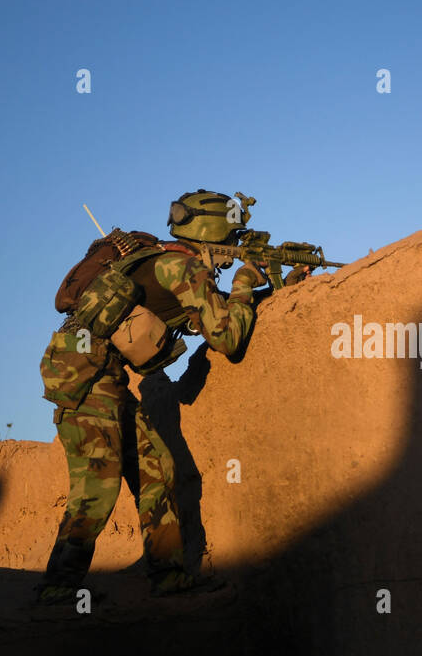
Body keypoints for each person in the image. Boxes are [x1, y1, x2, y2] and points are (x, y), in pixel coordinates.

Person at [35, 192, 310, 605]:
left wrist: (279, 289)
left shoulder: (166, 261)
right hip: (87, 379)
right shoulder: (182, 266)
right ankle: (57, 590)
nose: (234, 248)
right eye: (233, 237)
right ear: (213, 232)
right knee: (98, 484)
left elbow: (214, 317)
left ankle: (169, 577)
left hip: (104, 378)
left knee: (155, 471)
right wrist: (243, 281)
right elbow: (228, 338)